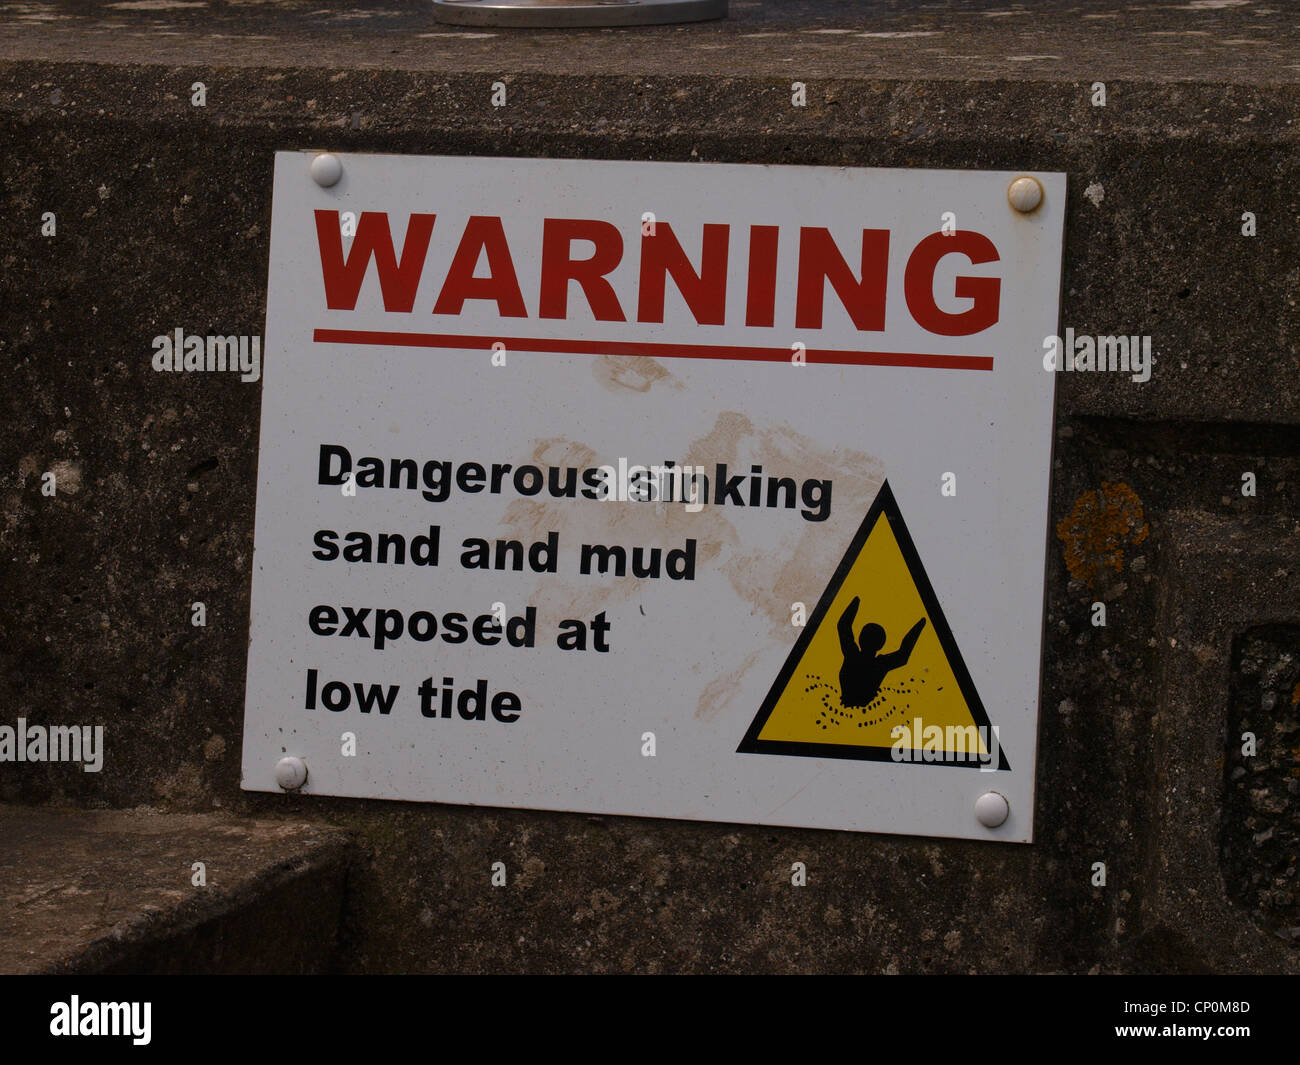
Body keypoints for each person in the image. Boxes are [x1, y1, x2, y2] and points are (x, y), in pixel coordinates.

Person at [836, 597, 925, 708]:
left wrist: (856, 601)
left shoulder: (852, 654)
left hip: (852, 709)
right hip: (852, 708)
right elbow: (904, 654)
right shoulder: (880, 664)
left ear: (860, 639)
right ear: (881, 645)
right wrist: (920, 624)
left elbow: (843, 626)